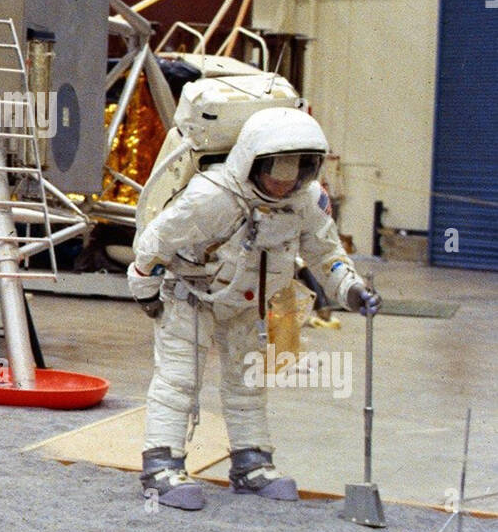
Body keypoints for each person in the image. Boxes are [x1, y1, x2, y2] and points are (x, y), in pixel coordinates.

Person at [128, 107, 380, 511]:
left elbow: (325, 251)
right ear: (250, 163)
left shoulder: (306, 202)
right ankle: (161, 465)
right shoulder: (213, 196)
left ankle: (251, 463)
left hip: (248, 304)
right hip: (193, 295)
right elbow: (158, 240)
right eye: (273, 176)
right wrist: (144, 285)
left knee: (248, 385)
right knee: (179, 381)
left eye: (294, 174)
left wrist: (350, 289)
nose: (282, 186)